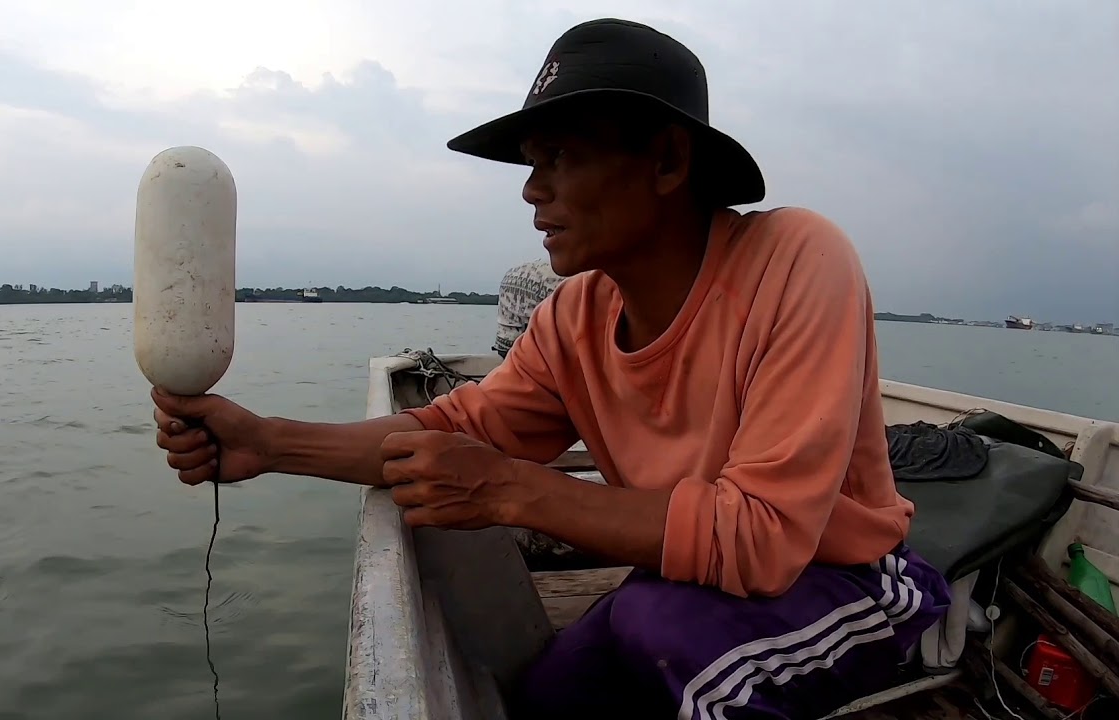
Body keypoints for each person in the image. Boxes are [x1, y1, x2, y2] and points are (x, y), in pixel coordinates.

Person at [152, 17, 950, 720]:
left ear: (669, 161)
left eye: (560, 157)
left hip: (854, 583)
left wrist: (511, 490)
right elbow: (450, 426)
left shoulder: (797, 260)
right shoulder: (575, 318)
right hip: (685, 589)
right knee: (546, 697)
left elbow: (766, 540)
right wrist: (267, 444)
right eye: (531, 163)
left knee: (686, 660)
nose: (533, 191)